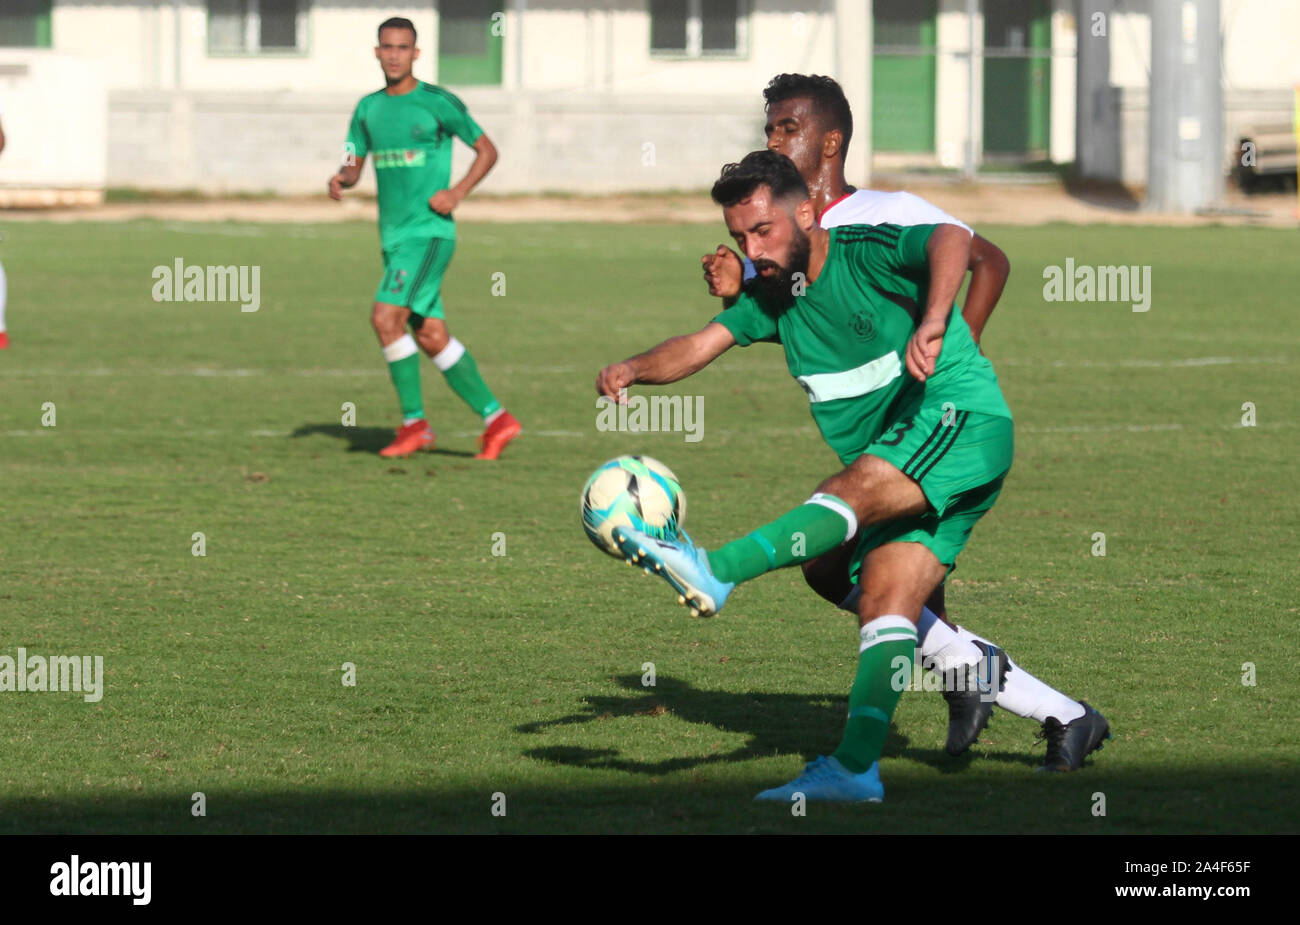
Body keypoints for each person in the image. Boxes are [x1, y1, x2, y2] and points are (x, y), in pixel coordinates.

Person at [598, 151, 1103, 801]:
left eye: (763, 231)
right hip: (920, 446)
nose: (753, 249)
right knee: (885, 600)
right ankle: (863, 766)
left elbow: (956, 238)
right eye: (739, 237)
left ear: (806, 213)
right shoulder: (775, 299)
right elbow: (700, 343)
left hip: (956, 416)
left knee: (845, 494)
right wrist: (632, 368)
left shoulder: (863, 248)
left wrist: (934, 317)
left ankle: (716, 569)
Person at [699, 75, 1107, 771]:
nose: (773, 140)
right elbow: (796, 300)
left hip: (931, 431)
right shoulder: (786, 225)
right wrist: (743, 280)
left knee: (885, 592)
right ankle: (1012, 696)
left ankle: (977, 692)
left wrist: (945, 343)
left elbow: (987, 257)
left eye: (786, 128)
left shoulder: (885, 208)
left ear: (829, 142)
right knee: (841, 575)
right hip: (879, 439)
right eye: (769, 128)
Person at [329, 17, 520, 459]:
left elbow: (487, 150)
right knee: (430, 334)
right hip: (393, 238)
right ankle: (498, 419)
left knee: (384, 317)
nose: (394, 54)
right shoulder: (367, 109)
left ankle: (415, 424)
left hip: (428, 234)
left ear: (416, 54)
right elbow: (353, 161)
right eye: (387, 47)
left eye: (402, 47)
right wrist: (342, 177)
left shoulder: (438, 102)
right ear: (376, 52)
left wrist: (457, 192)